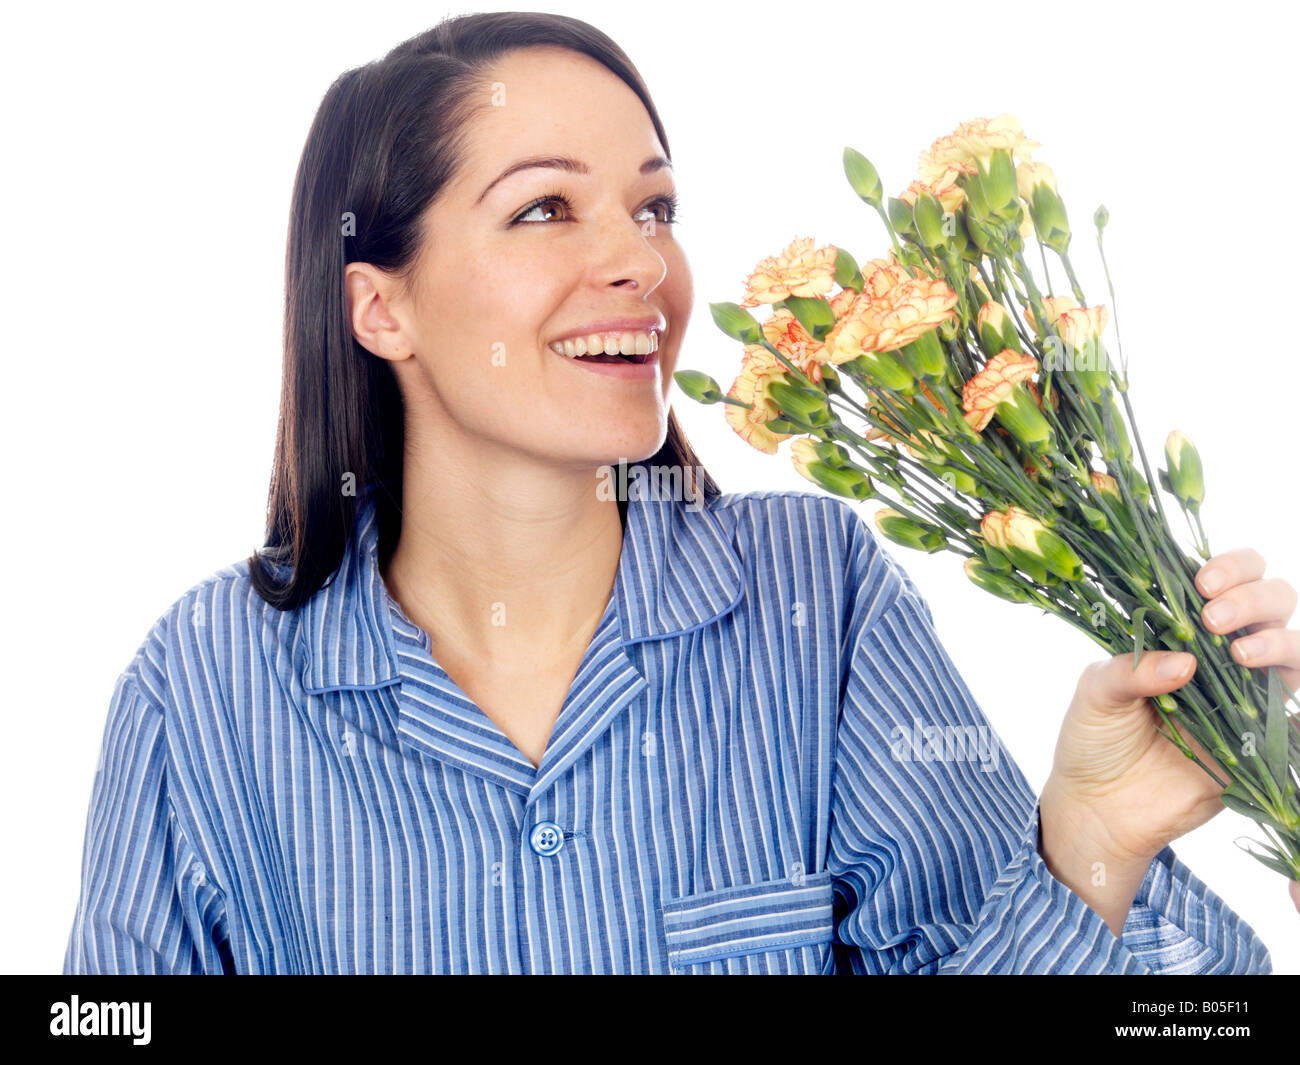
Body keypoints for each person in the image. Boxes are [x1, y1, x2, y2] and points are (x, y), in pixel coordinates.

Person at [62, 11, 1298, 975]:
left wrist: (1093, 839)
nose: (638, 262)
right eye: (546, 208)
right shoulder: (203, 691)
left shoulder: (816, 599)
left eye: (654, 206)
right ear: (380, 306)